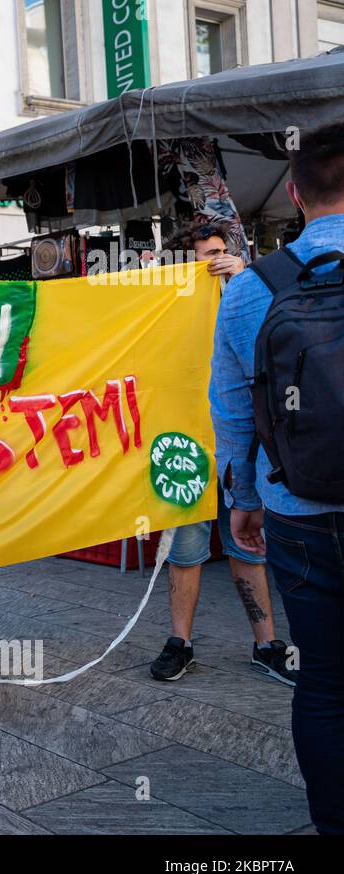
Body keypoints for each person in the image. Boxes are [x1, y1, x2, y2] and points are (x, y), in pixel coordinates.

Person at [210, 125, 344, 836]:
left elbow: (230, 407)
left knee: (323, 678)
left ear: (294, 192)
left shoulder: (251, 288)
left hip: (297, 506)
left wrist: (243, 500)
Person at [148, 218, 297, 687]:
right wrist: (149, 282)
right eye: (197, 262)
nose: (207, 268)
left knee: (247, 545)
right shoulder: (165, 299)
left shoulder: (252, 292)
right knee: (185, 549)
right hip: (184, 443)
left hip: (239, 443)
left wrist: (243, 278)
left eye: (216, 257)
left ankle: (267, 644)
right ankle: (180, 643)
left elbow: (278, 339)